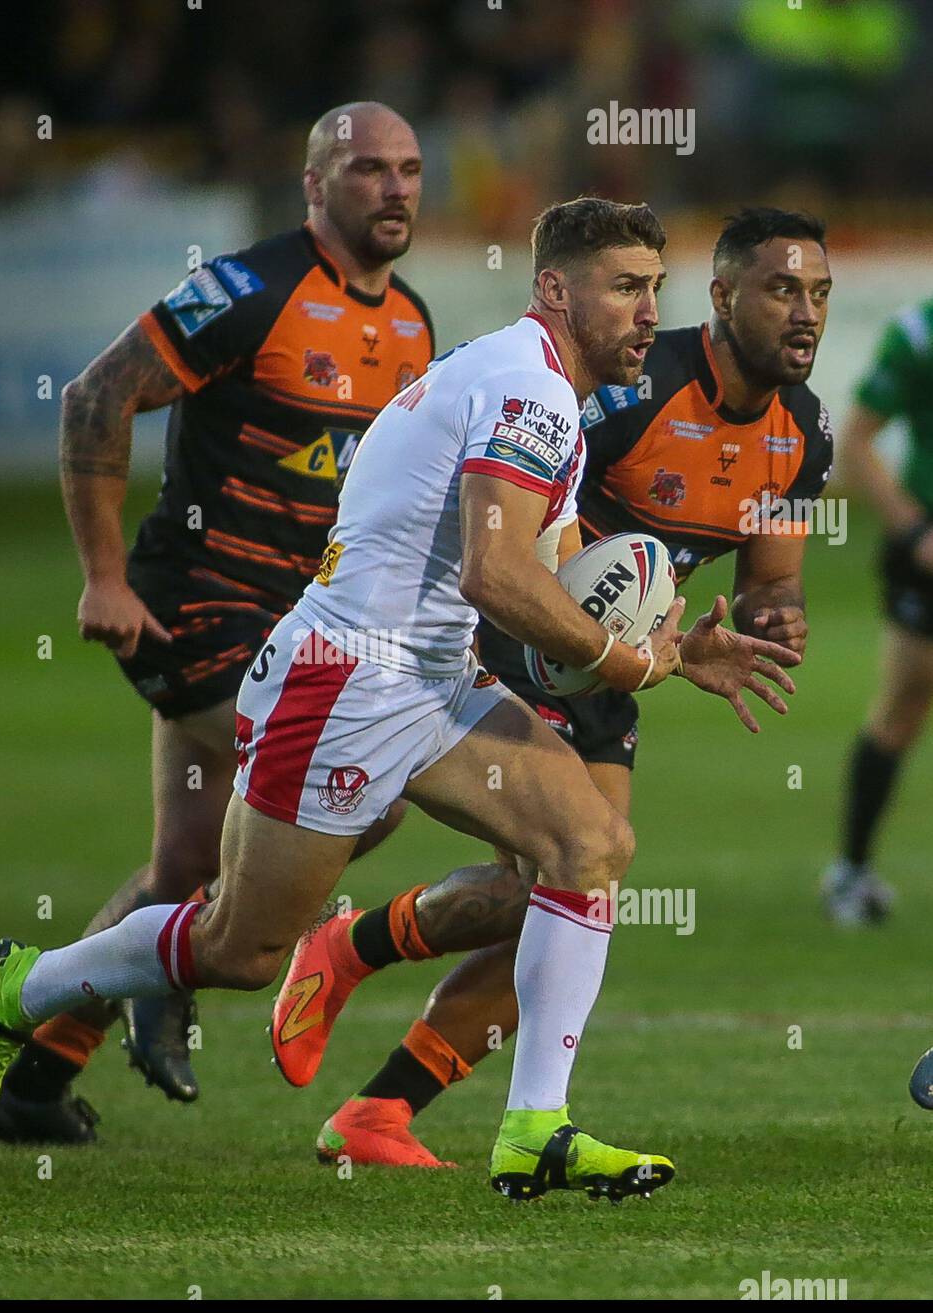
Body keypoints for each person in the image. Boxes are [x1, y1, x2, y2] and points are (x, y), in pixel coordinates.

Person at [0, 196, 800, 1204]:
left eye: (652, 288)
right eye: (622, 288)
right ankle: (23, 984)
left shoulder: (537, 388)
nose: (645, 313)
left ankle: (534, 1128)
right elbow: (494, 577)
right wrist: (625, 667)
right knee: (238, 948)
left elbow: (555, 559)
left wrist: (655, 633)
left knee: (589, 844)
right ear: (555, 290)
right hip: (343, 679)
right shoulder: (526, 390)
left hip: (431, 678)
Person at [270, 206, 835, 1168]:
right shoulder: (628, 387)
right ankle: (393, 1027)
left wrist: (772, 616)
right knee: (569, 867)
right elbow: (507, 515)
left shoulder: (804, 432)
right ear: (724, 298)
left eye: (820, 294)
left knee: (577, 879)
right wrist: (593, 632)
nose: (805, 314)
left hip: (606, 664)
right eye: (782, 290)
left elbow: (768, 580)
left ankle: (369, 1066)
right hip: (513, 635)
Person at [0, 102, 433, 1143]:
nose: (397, 188)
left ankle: (37, 1079)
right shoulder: (248, 289)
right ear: (314, 185)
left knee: (187, 863)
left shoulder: (410, 321)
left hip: (301, 625)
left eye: (410, 169)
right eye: (369, 169)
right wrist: (102, 577)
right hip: (192, 609)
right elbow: (95, 397)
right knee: (368, 788)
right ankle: (176, 968)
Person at [821, 299, 933, 926]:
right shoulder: (922, 333)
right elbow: (855, 441)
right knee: (903, 706)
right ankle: (851, 871)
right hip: (928, 550)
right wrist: (915, 532)